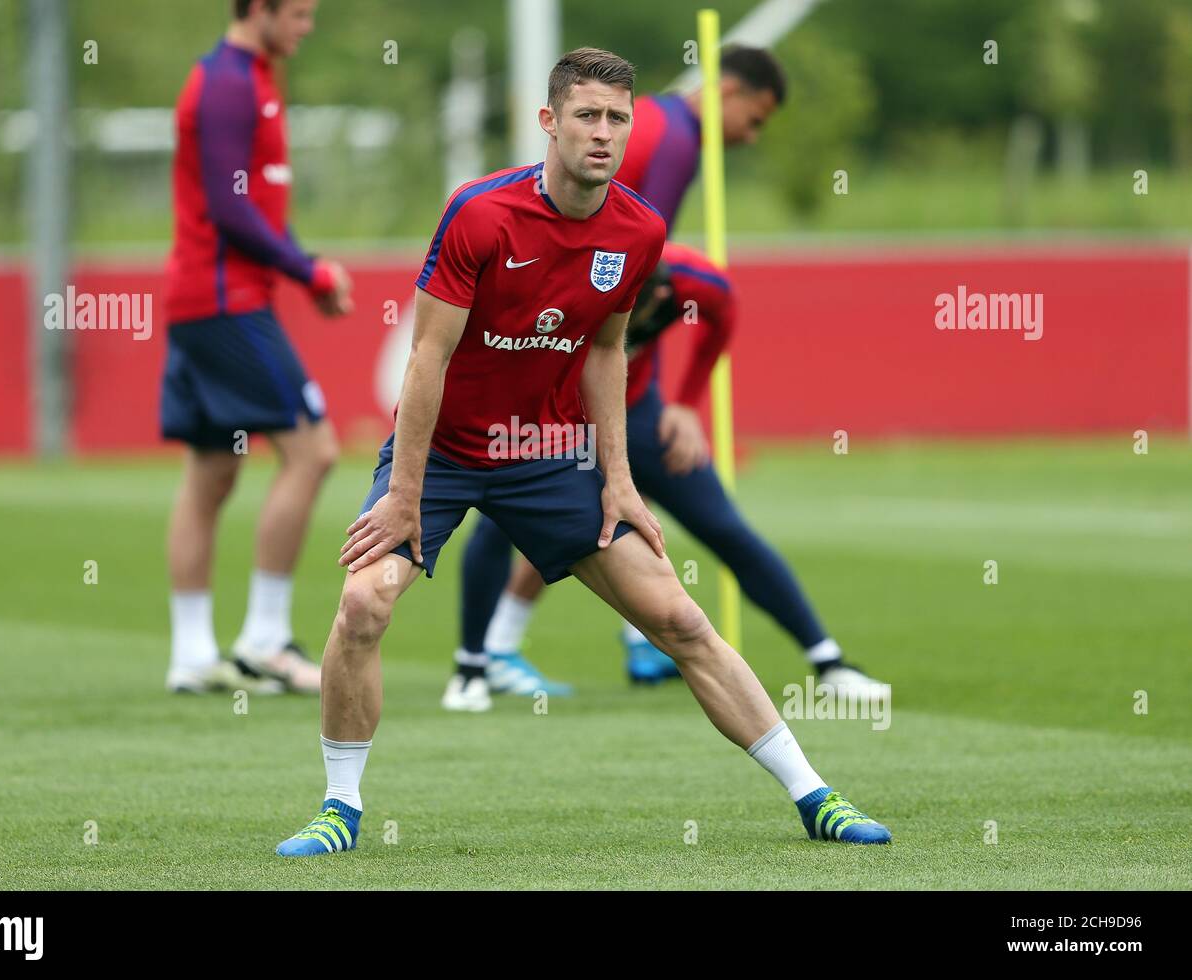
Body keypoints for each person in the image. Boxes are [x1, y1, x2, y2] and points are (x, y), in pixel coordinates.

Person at [275, 48, 890, 856]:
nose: (603, 133)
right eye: (587, 116)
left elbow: (607, 352)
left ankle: (817, 798)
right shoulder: (479, 214)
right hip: (448, 454)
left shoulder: (639, 228)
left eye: (616, 118)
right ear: (550, 123)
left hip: (548, 454)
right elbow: (427, 359)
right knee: (363, 605)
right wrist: (402, 493)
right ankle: (340, 810)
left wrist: (619, 479)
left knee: (679, 618)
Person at [444, 46, 885, 707]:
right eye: (755, 119)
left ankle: (825, 662)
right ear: (730, 92)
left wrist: (686, 403)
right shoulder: (674, 139)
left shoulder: (683, 255)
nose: (751, 136)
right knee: (510, 514)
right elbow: (615, 260)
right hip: (566, 399)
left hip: (634, 402)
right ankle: (479, 665)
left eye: (611, 118)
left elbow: (686, 297)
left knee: (697, 524)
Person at [160, 0, 351, 695]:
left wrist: (305, 263)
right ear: (260, 8)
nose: (307, 26)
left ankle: (191, 656)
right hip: (223, 303)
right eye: (298, 13)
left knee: (212, 472)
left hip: (207, 301)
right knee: (315, 450)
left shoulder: (253, 75)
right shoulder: (228, 83)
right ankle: (265, 640)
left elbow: (260, 203)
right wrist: (310, 272)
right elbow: (230, 208)